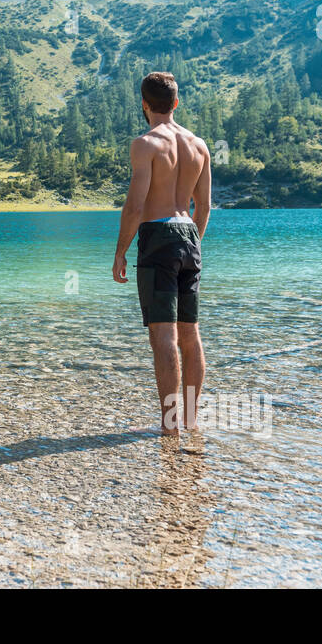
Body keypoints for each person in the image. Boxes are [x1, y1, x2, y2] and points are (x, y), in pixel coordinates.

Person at [111, 72, 212, 436]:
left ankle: (170, 428)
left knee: (163, 336)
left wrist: (121, 251)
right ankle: (190, 420)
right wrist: (191, 242)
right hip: (189, 235)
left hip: (157, 236)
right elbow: (204, 205)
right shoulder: (199, 145)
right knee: (191, 332)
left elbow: (135, 206)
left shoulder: (145, 144)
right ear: (176, 102)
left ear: (144, 104)